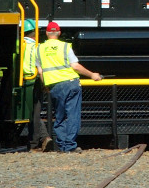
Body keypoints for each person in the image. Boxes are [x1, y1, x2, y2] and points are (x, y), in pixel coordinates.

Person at [36, 21, 102, 153]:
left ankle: (62, 145)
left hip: (54, 86)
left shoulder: (39, 49)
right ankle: (70, 146)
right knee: (72, 115)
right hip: (71, 83)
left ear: (47, 33)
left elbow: (40, 71)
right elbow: (75, 66)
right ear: (59, 33)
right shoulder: (65, 46)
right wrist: (92, 75)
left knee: (59, 116)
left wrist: (46, 85)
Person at [22, 19, 53, 152]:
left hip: (22, 80)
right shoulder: (37, 47)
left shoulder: (19, 44)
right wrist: (45, 83)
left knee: (31, 112)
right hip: (34, 80)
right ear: (35, 33)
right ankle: (38, 141)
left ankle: (39, 140)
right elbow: (40, 69)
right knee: (35, 112)